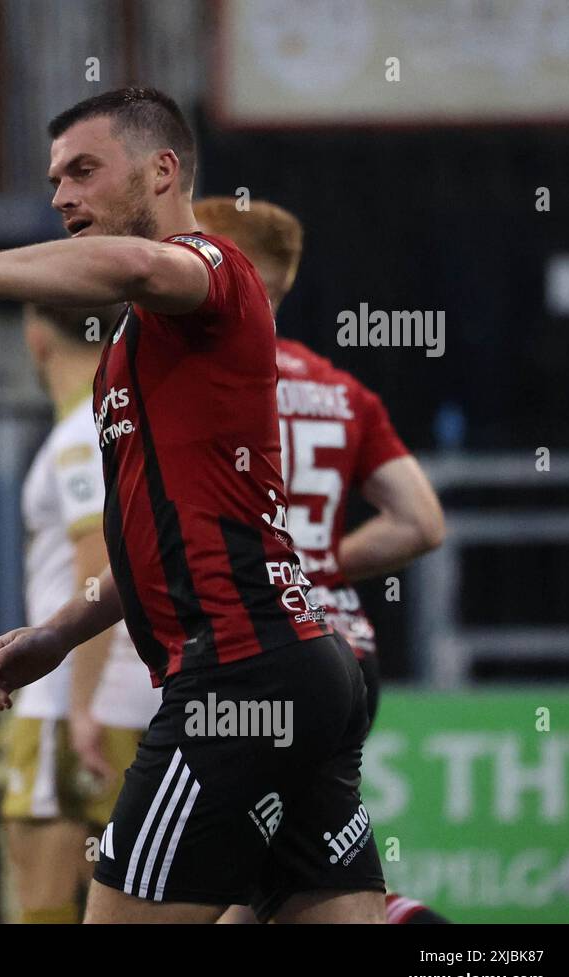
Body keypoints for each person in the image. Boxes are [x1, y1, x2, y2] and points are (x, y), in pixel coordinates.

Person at [0, 87, 386, 924]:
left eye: (85, 171)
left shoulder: (213, 268)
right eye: (56, 178)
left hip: (237, 675)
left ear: (164, 171)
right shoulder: (130, 353)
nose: (62, 196)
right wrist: (58, 633)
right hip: (297, 670)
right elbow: (150, 543)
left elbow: (135, 266)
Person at [193, 196, 450, 925]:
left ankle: (401, 919)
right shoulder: (342, 391)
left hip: (256, 647)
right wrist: (316, 563)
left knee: (205, 873)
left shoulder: (208, 382)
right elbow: (422, 523)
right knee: (279, 880)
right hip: (348, 656)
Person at [1, 303, 160, 924]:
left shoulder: (83, 432)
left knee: (44, 902)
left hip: (66, 700)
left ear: (35, 336)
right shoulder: (122, 417)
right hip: (124, 693)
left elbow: (98, 561)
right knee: (129, 893)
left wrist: (81, 705)